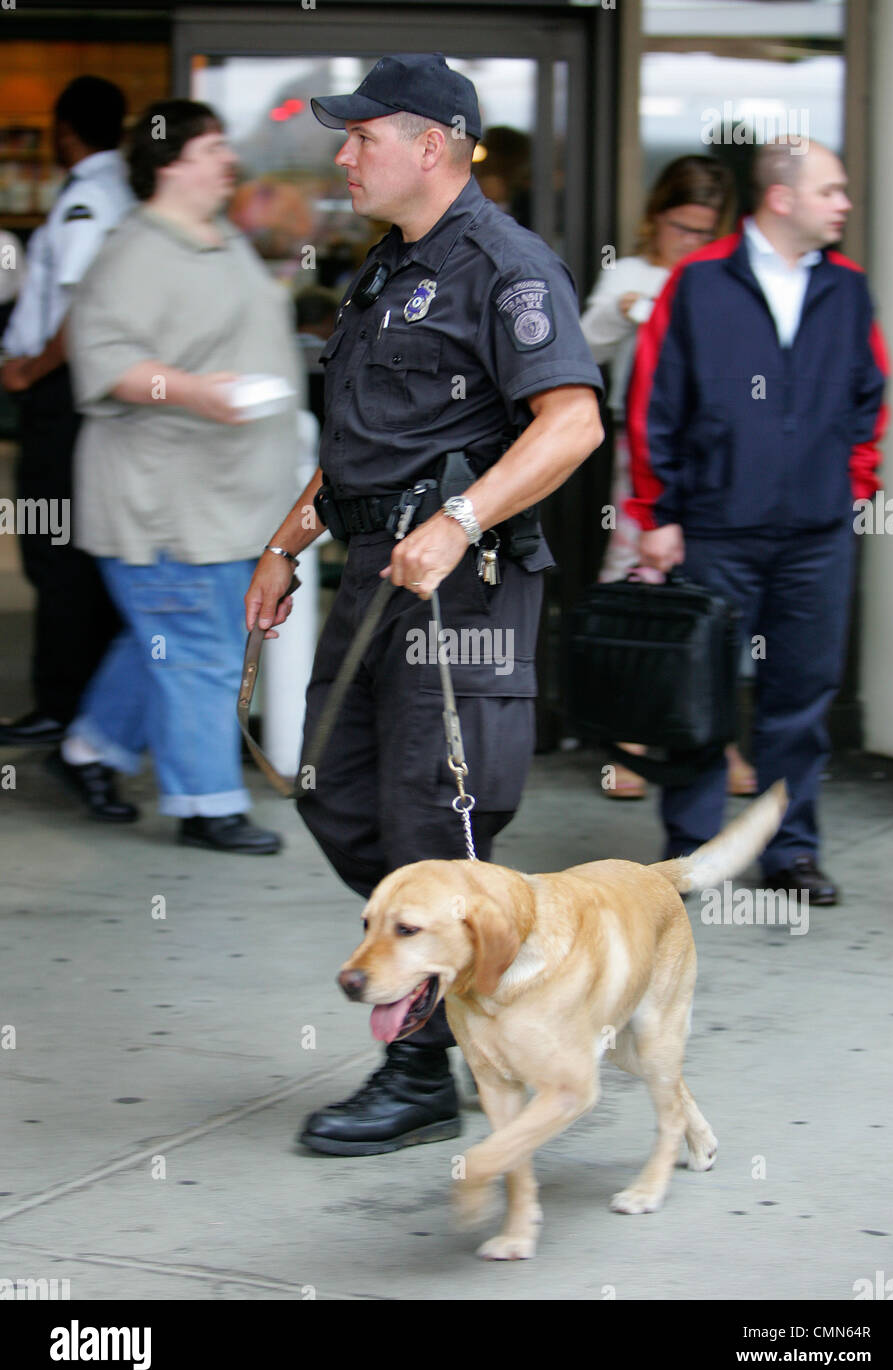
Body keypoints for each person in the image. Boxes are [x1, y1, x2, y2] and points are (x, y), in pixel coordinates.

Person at [244, 53, 604, 1154]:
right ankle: (483, 972)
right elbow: (368, 444)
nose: (344, 155)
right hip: (376, 577)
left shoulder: (508, 267)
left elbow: (571, 422)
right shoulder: (387, 268)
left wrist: (460, 521)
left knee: (428, 816)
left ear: (432, 145)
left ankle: (418, 1070)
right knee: (329, 788)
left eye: (362, 137)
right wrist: (287, 537)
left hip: (464, 589)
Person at [626, 139, 888, 904]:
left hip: (815, 534)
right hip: (712, 528)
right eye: (830, 191)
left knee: (799, 702)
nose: (842, 203)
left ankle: (789, 853)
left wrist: (855, 491)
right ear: (781, 197)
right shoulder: (696, 283)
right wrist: (657, 513)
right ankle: (691, 856)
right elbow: (654, 404)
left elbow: (869, 395)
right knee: (698, 698)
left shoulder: (847, 288)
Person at [59, 99, 300, 851]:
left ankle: (91, 749)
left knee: (163, 636)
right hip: (165, 504)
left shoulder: (216, 236)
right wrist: (194, 390)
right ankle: (205, 805)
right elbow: (102, 358)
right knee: (197, 647)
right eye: (213, 148)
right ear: (170, 162)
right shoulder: (135, 251)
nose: (228, 160)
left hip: (221, 500)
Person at [581, 155, 757, 800]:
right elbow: (582, 345)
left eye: (705, 232)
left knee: (713, 587)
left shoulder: (729, 276)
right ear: (657, 218)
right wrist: (626, 307)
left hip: (721, 453)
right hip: (644, 448)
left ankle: (713, 735)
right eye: (683, 227)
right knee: (636, 579)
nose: (692, 242)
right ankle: (626, 740)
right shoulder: (630, 272)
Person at [0, 77, 134, 748]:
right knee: (80, 550)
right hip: (94, 399)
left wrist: (28, 368)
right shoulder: (119, 192)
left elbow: (84, 308)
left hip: (64, 397)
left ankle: (60, 703)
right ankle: (87, 700)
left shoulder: (86, 198)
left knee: (54, 551)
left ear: (64, 128)